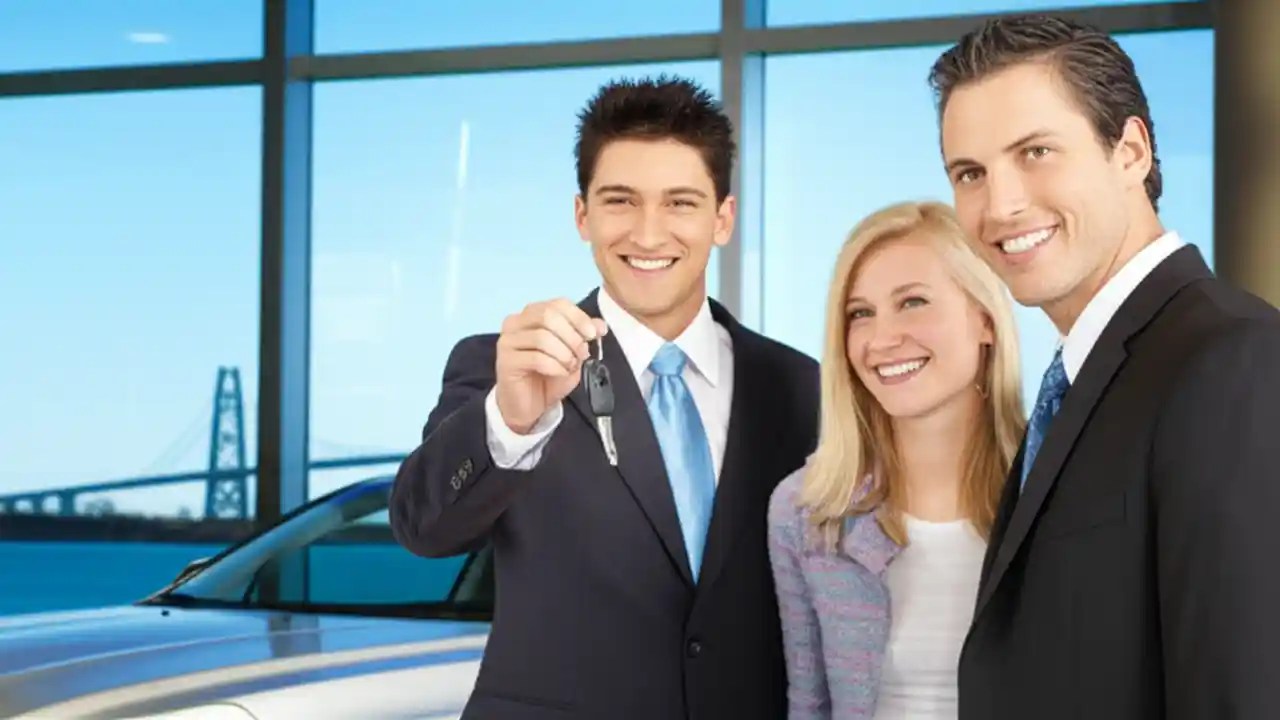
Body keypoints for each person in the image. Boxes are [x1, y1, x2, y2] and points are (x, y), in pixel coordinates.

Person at [389, 75, 820, 720]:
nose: (648, 235)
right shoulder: (503, 366)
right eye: (621, 201)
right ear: (582, 214)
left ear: (722, 218)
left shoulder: (799, 387)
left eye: (680, 203)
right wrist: (510, 420)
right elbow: (423, 528)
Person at [929, 14, 1280, 719]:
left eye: (1035, 152)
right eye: (970, 173)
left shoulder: (1230, 360)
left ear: (1131, 152)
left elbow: (1239, 691)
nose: (1000, 205)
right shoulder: (1082, 382)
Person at [767, 200, 1026, 719]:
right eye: (860, 313)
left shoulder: (1056, 492)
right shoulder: (806, 511)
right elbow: (809, 706)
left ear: (985, 320)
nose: (882, 339)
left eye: (912, 302)